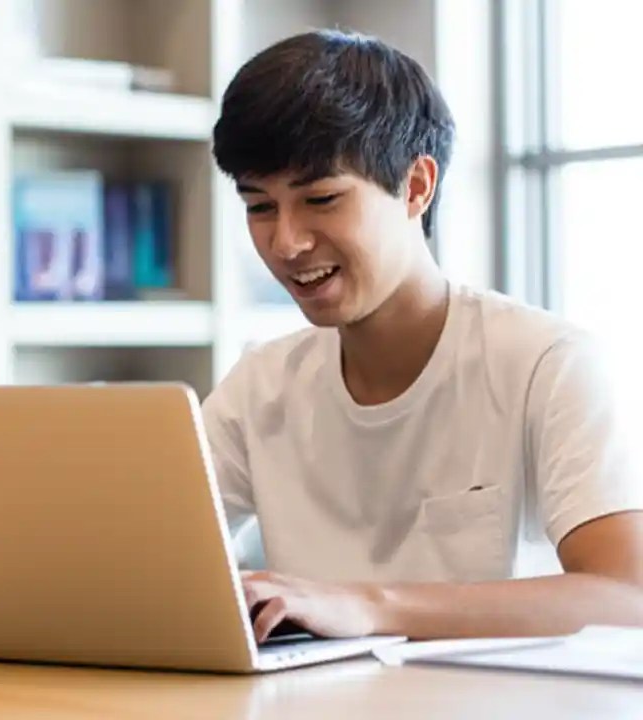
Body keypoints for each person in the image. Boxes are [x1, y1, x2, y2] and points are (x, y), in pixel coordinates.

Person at [204, 30, 643, 643]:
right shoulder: (261, 387)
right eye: (259, 207)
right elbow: (143, 557)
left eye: (321, 199)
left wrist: (371, 607)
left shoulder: (546, 362)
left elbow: (628, 595)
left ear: (415, 187)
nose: (286, 243)